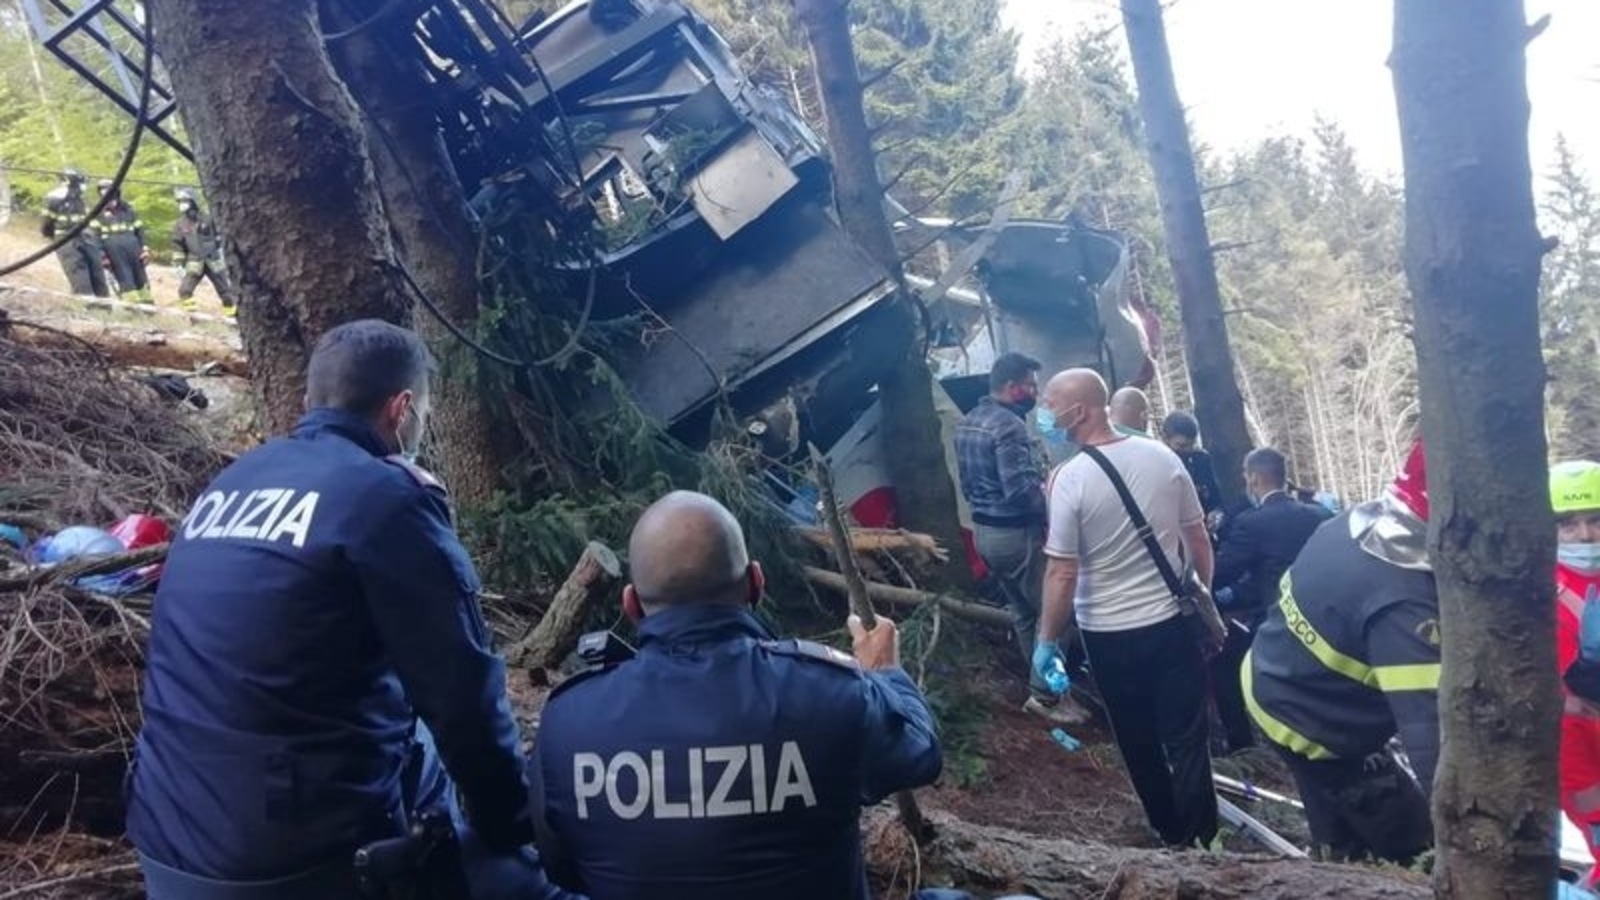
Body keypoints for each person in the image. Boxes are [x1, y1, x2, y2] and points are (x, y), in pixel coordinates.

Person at [126, 320, 574, 899]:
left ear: (309, 402)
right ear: (402, 410)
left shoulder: (230, 483)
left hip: (166, 836)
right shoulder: (386, 499)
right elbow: (464, 697)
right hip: (294, 864)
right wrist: (517, 830)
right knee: (513, 869)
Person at [532, 490, 943, 900]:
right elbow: (920, 754)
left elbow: (557, 866)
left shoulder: (568, 722)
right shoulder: (829, 694)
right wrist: (884, 671)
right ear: (755, 583)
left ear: (631, 604)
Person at [1032, 368, 1218, 848]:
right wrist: (1200, 593)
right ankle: (1203, 838)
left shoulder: (1068, 480)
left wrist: (1047, 641)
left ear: (1079, 411)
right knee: (1187, 737)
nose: (1043, 411)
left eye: (1050, 402)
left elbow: (1062, 571)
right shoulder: (1162, 457)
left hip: (1107, 633)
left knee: (1138, 741)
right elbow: (1197, 537)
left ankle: (1169, 834)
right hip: (1171, 622)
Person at [1244, 441, 1436, 863]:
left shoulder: (1349, 523)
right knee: (1412, 840)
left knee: (1335, 827)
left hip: (1273, 681)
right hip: (1320, 725)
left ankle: (1336, 856)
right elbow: (1431, 738)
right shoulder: (1405, 605)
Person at [953, 351, 1089, 725]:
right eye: (1031, 386)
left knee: (1026, 615)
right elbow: (1019, 491)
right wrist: (1056, 505)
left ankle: (1044, 687)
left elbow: (967, 484)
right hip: (1016, 536)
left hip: (985, 534)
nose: (1036, 393)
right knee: (1057, 615)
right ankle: (1046, 696)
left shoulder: (968, 421)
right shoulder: (1010, 427)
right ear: (1012, 388)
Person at [1208, 447, 1332, 755]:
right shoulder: (1320, 514)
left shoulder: (1252, 523)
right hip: (1326, 617)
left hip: (1278, 620)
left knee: (1223, 666)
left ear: (1253, 478)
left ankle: (1243, 745)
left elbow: (1222, 571)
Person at [1551, 461, 1600, 875]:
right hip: (1579, 752)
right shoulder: (1532, 593)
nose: (1585, 535)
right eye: (1568, 524)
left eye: (1595, 520)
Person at [39, 168, 109, 297]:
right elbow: (47, 224)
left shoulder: (79, 198)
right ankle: (88, 304)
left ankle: (103, 304)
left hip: (84, 237)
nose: (84, 186)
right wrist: (54, 237)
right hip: (66, 239)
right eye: (81, 182)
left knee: (96, 272)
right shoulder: (55, 197)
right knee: (79, 274)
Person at [172, 189, 238, 315]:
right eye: (180, 202)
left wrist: (223, 253)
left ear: (193, 202)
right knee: (184, 290)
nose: (182, 204)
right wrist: (178, 263)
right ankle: (193, 317)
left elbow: (221, 235)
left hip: (214, 261)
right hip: (195, 262)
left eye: (185, 201)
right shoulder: (180, 224)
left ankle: (232, 316)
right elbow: (177, 244)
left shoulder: (208, 218)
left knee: (226, 293)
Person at [93, 179, 153, 304]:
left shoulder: (128, 210)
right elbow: (95, 238)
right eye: (104, 194)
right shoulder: (97, 214)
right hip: (115, 256)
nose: (109, 199)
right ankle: (132, 308)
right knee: (126, 282)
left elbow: (140, 231)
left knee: (142, 281)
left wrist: (145, 249)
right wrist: (102, 256)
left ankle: (149, 307)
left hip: (135, 252)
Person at [1160, 411, 1224, 516]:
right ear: (1165, 439)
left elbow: (1215, 497)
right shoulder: (1157, 464)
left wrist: (1216, 512)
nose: (1187, 450)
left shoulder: (1201, 459)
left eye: (1191, 445)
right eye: (1181, 446)